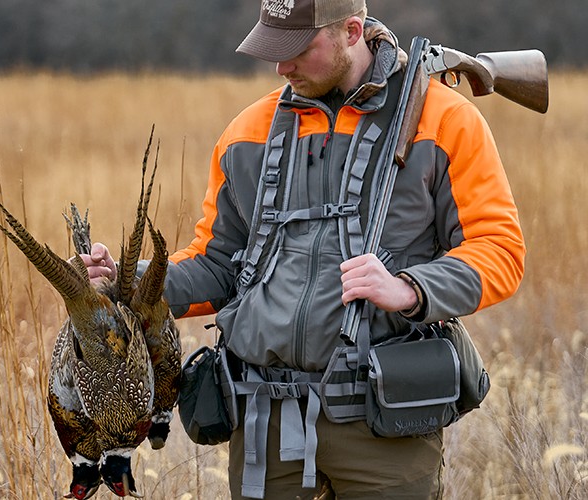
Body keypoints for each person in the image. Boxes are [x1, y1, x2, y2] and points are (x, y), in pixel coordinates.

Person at [81, 0, 525, 498]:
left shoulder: (445, 120)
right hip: (264, 423)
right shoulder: (248, 132)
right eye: (273, 49)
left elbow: (499, 248)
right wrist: (130, 280)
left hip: (385, 418)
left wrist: (409, 289)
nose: (280, 66)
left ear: (351, 31)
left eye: (297, 49)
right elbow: (219, 265)